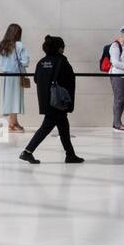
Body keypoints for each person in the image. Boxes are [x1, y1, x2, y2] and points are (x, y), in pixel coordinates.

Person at [20, 35, 83, 164]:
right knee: (47, 127)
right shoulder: (62, 61)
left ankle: (70, 154)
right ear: (60, 48)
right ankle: (27, 152)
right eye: (63, 47)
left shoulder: (41, 62)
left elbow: (37, 79)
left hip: (46, 101)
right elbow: (69, 81)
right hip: (58, 102)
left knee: (63, 126)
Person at [0, 23, 29, 133]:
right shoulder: (19, 45)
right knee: (15, 98)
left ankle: (13, 122)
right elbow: (25, 61)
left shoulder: (2, 45)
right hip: (16, 75)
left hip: (5, 75)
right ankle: (12, 124)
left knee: (9, 98)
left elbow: (0, 62)